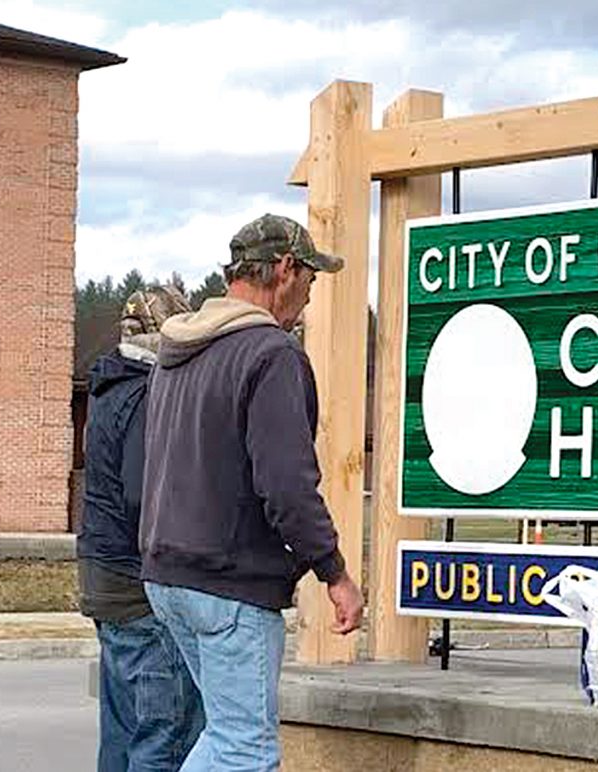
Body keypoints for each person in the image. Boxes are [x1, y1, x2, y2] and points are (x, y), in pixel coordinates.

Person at [140, 213, 365, 771]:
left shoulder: (178, 353)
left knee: (225, 736)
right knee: (245, 747)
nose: (308, 301)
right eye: (310, 282)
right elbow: (288, 486)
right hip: (229, 583)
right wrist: (334, 573)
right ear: (285, 269)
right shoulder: (272, 354)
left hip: (167, 577)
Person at [77, 285, 204, 771]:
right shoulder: (148, 394)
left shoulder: (108, 390)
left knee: (123, 731)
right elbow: (141, 494)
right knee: (165, 736)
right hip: (139, 589)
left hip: (105, 582)